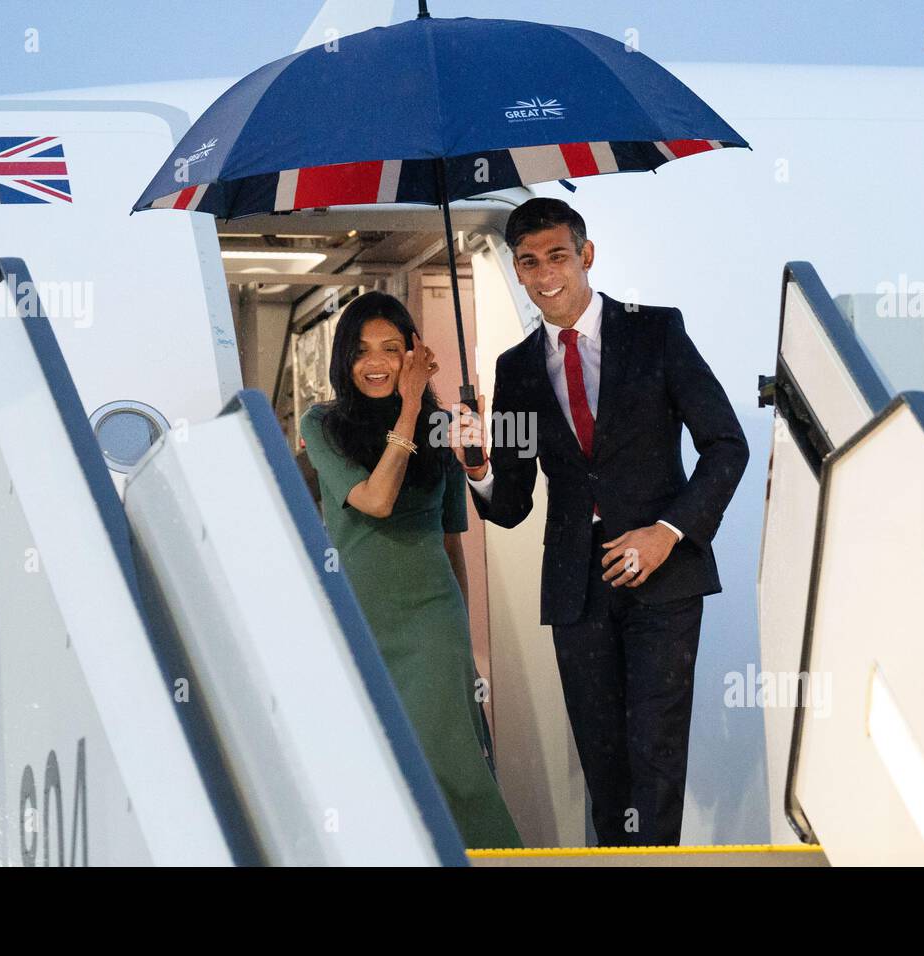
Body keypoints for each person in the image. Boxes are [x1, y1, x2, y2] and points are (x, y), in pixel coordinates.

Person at [449, 198, 749, 847]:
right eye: (527, 262)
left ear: (586, 255)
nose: (543, 273)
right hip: (576, 591)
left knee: (656, 763)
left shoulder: (656, 333)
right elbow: (513, 503)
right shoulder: (518, 370)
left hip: (664, 582)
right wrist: (477, 466)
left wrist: (667, 533)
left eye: (557, 255)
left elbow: (727, 444)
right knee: (605, 769)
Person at [298, 290, 522, 850]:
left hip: (431, 623)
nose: (376, 362)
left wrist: (462, 640)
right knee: (369, 765)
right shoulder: (321, 423)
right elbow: (376, 499)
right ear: (344, 360)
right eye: (362, 350)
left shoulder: (443, 426)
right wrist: (411, 403)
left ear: (414, 353)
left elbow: (452, 541)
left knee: (454, 766)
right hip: (356, 617)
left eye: (392, 349)